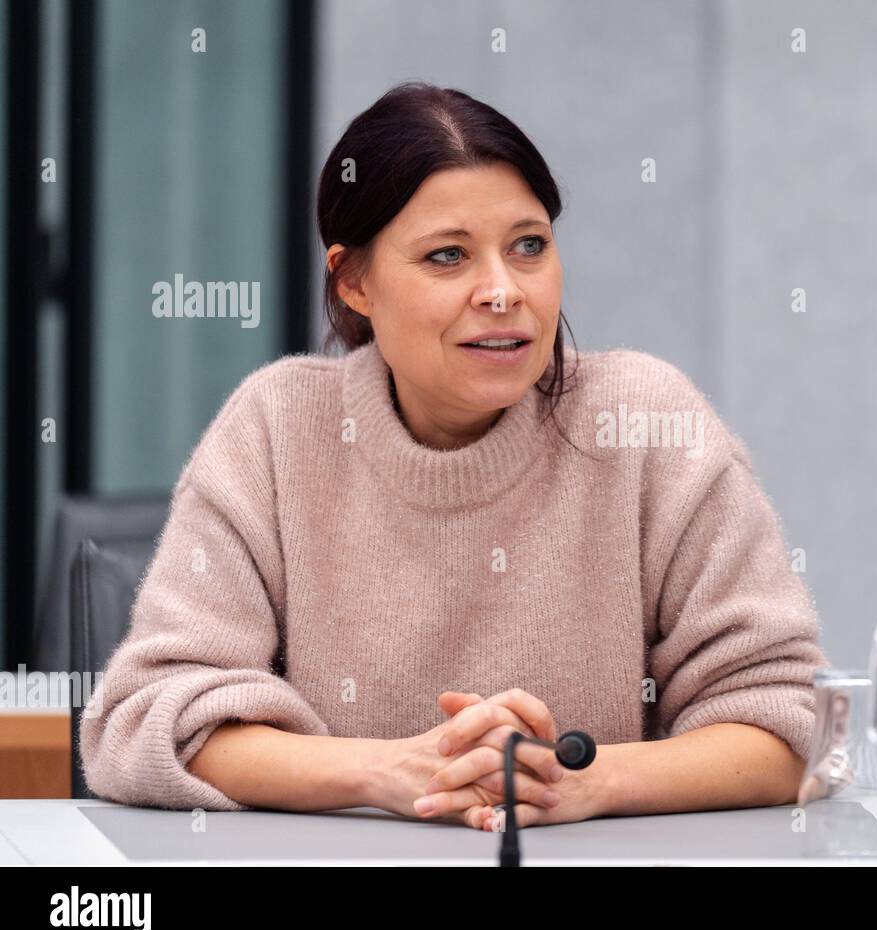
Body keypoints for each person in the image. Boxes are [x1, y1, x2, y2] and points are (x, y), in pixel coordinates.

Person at [79, 82, 829, 832]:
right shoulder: (276, 430)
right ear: (355, 281)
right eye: (448, 257)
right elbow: (144, 721)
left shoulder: (647, 424)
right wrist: (391, 771)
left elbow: (793, 726)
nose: (503, 292)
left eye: (528, 246)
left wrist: (581, 779)